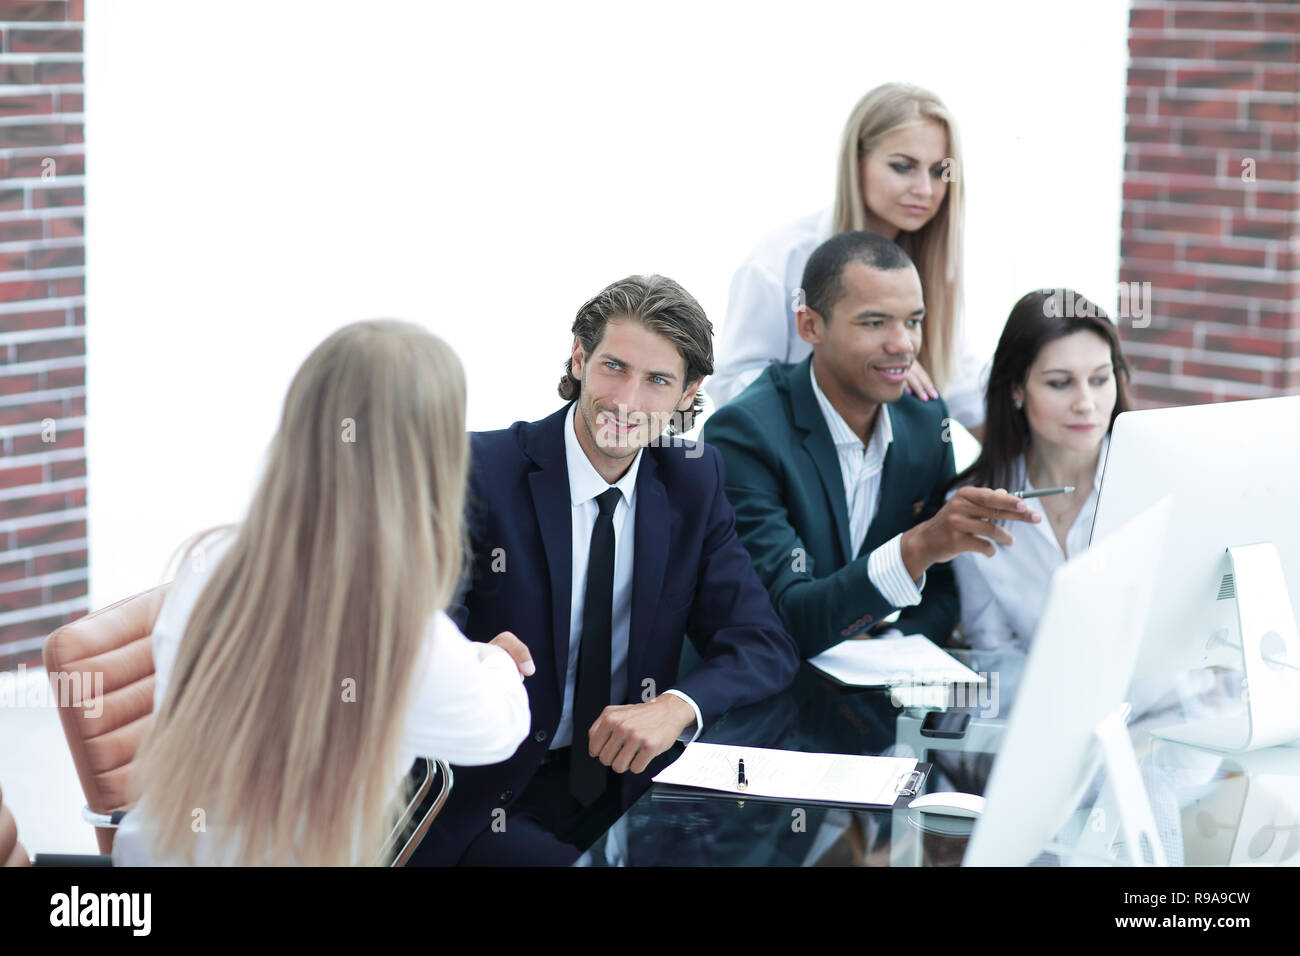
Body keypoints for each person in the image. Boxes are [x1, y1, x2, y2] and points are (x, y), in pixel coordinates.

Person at [410, 275, 800, 866]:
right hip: (488, 796)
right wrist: (475, 660)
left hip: (629, 791)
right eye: (614, 367)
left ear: (689, 393)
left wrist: (677, 705)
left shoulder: (693, 479)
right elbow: (412, 645)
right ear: (579, 358)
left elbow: (763, 643)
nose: (627, 401)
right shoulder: (477, 471)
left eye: (657, 380)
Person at [114, 321, 531, 867]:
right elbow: (501, 729)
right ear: (433, 460)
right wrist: (493, 661)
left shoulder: (210, 562)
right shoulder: (403, 635)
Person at [701, 231, 1041, 659]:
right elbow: (785, 616)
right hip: (757, 685)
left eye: (913, 321)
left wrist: (893, 647)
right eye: (874, 323)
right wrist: (917, 547)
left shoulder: (924, 420)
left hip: (876, 681)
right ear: (810, 325)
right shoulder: (744, 433)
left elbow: (944, 587)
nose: (903, 345)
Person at [710, 81, 988, 435]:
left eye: (938, 171)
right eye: (903, 167)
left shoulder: (932, 267)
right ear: (857, 162)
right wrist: (847, 381)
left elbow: (963, 388)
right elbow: (733, 385)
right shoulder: (779, 261)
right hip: (789, 458)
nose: (925, 189)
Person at [949, 289, 1132, 652]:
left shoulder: (1155, 482)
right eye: (1060, 383)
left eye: (1099, 379)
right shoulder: (976, 508)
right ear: (1017, 389)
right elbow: (995, 655)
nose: (1086, 404)